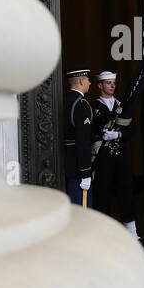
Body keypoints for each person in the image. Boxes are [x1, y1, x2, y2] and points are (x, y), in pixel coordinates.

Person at [89, 70, 139, 240]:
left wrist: (118, 135)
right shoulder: (93, 106)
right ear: (100, 85)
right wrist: (100, 134)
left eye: (114, 83)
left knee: (125, 191)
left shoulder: (122, 106)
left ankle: (131, 231)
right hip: (103, 157)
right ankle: (104, 232)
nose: (112, 86)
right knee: (102, 192)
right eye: (108, 83)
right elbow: (90, 130)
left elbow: (131, 130)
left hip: (121, 156)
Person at [62, 67, 94, 206]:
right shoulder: (81, 104)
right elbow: (83, 140)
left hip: (66, 163)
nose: (90, 83)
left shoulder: (64, 100)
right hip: (78, 168)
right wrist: (86, 172)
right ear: (81, 81)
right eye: (88, 80)